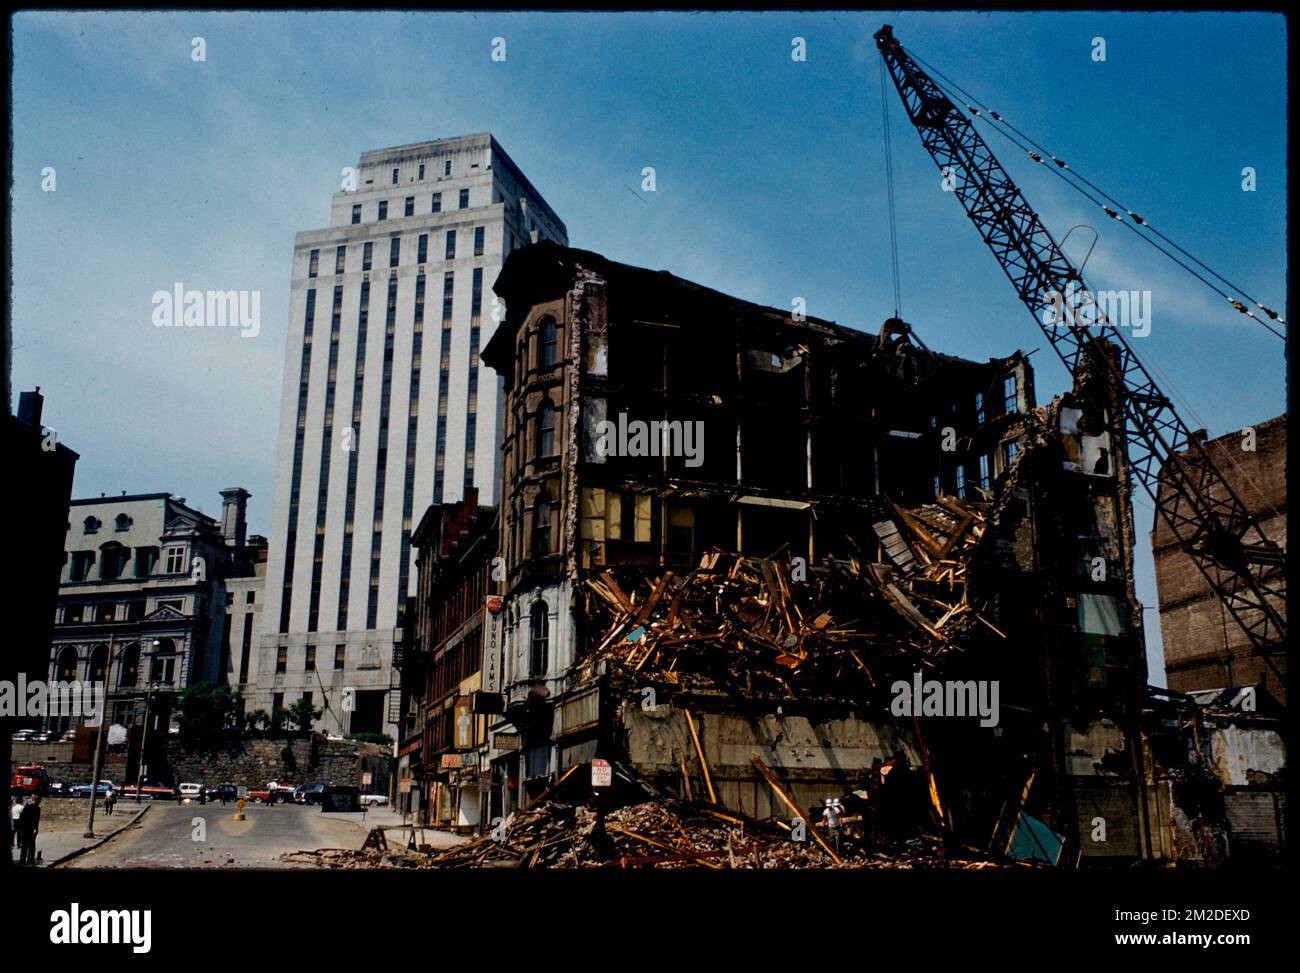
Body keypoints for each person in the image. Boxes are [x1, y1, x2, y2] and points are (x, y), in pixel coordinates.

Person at [17, 794, 42, 866]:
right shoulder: (37, 809)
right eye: (39, 800)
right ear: (37, 800)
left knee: (24, 845)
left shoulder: (26, 807)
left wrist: (20, 829)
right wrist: (35, 829)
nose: (40, 802)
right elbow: (35, 820)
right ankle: (30, 860)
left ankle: (22, 860)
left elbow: (22, 818)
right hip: (31, 829)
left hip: (25, 829)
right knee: (31, 845)